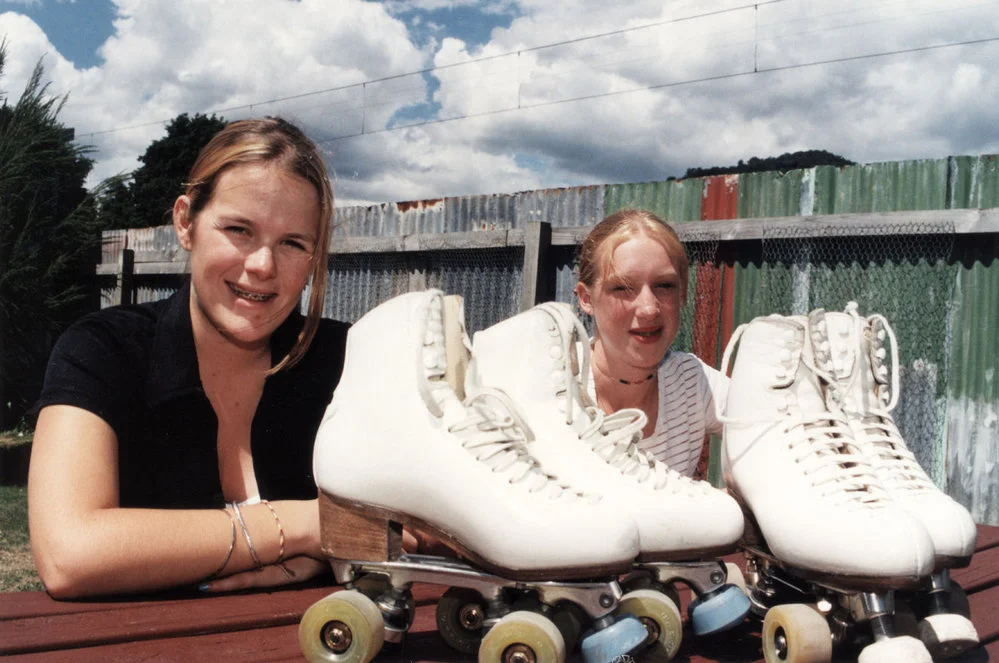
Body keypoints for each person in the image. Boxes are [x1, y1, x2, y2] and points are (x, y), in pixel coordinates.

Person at [28, 117, 354, 598]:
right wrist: (308, 527)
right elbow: (69, 554)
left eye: (292, 243)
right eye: (239, 229)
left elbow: (443, 525)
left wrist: (327, 559)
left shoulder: (348, 360)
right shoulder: (104, 350)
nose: (263, 265)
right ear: (186, 223)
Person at [574, 208, 728, 478]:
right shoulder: (554, 387)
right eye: (622, 287)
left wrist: (738, 503)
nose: (648, 308)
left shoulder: (691, 382)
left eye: (664, 286)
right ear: (586, 298)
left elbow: (782, 431)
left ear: (682, 295)